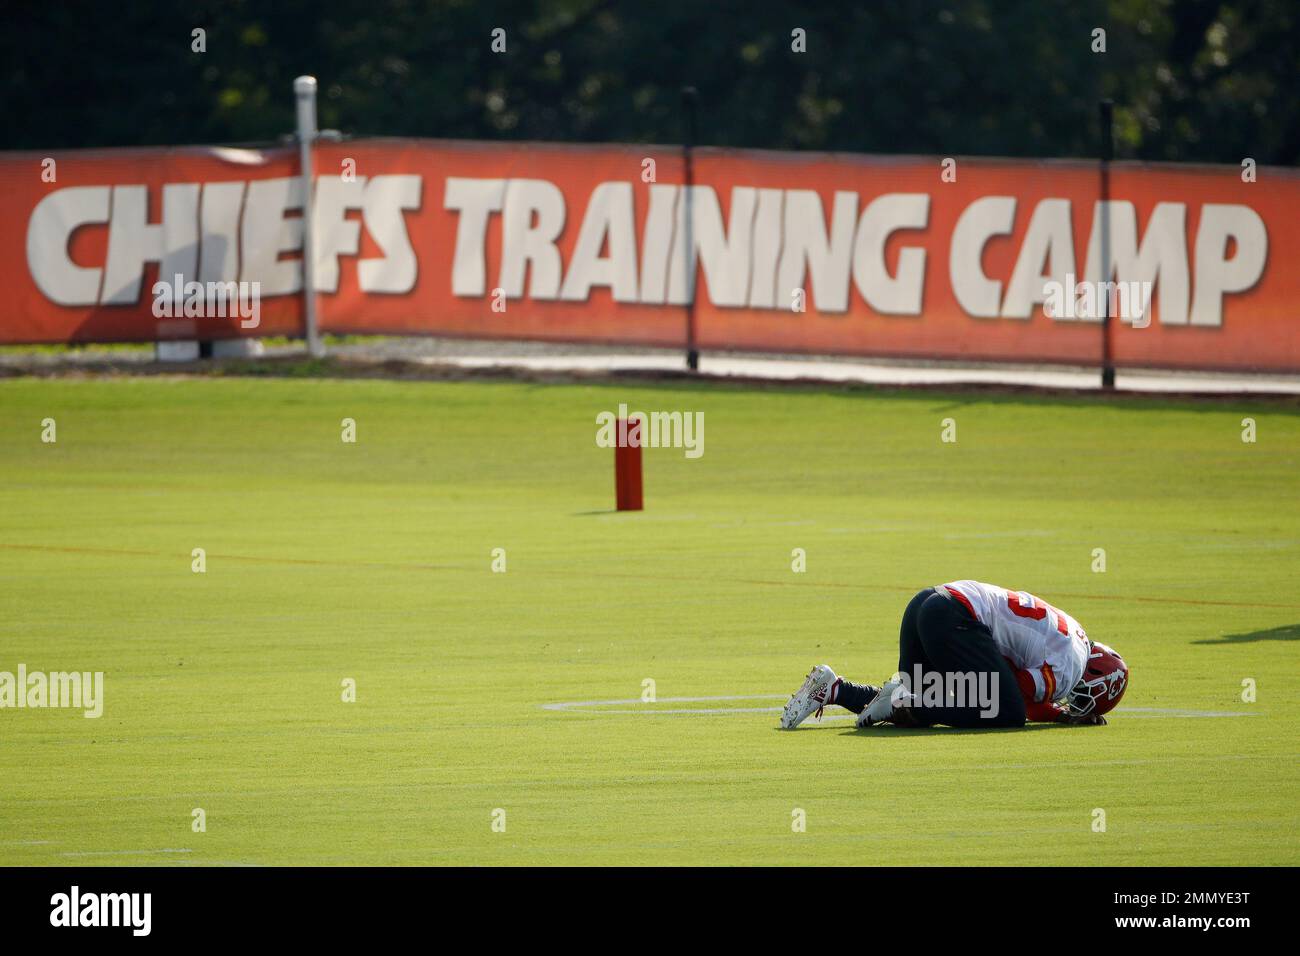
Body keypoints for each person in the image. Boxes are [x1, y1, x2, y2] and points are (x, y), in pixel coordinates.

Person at [780, 580, 1128, 729]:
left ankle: (835, 689)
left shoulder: (1073, 637)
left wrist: (1055, 715)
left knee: (932, 700)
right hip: (955, 618)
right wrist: (1056, 715)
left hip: (926, 604)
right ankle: (907, 702)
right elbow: (1014, 698)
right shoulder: (1071, 663)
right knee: (1004, 714)